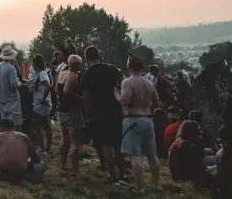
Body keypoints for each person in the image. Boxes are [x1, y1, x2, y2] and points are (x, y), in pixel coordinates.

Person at [80, 46, 124, 181]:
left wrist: (87, 114)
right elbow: (123, 85)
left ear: (86, 58)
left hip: (98, 113)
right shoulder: (113, 69)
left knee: (106, 144)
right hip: (116, 110)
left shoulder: (86, 75)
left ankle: (113, 174)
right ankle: (123, 172)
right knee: (118, 144)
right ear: (99, 55)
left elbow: (86, 97)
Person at [118, 54, 160, 194]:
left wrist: (116, 95)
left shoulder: (127, 82)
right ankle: (155, 185)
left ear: (129, 66)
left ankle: (139, 188)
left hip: (133, 120)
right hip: (147, 119)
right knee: (152, 156)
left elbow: (126, 101)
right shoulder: (149, 83)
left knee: (136, 157)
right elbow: (156, 101)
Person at [0, 118, 46, 184]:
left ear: (0, 128)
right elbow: (36, 158)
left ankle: (5, 177)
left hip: (4, 171)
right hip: (21, 171)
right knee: (42, 165)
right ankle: (26, 178)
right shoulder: (24, 136)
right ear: (13, 127)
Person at [56, 54, 84, 174]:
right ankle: (75, 170)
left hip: (61, 109)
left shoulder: (62, 73)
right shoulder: (73, 75)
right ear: (77, 65)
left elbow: (58, 91)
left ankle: (63, 164)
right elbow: (67, 91)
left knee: (65, 139)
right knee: (76, 142)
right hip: (71, 111)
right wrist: (81, 99)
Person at [168, 120, 213, 187]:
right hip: (187, 177)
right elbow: (202, 169)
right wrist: (218, 166)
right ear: (194, 132)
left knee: (213, 158)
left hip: (177, 173)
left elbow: (199, 152)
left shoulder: (179, 141)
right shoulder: (190, 147)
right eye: (198, 129)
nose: (201, 132)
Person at [0, 46, 22, 127]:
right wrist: (20, 83)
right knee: (14, 124)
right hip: (12, 100)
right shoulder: (11, 68)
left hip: (1, 98)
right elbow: (13, 85)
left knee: (4, 123)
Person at [28, 54, 52, 152]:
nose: (31, 65)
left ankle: (43, 147)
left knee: (38, 127)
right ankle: (47, 147)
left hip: (41, 104)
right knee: (46, 126)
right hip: (41, 103)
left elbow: (48, 86)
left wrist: (43, 98)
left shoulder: (42, 74)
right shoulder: (38, 73)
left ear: (36, 64)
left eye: (33, 63)